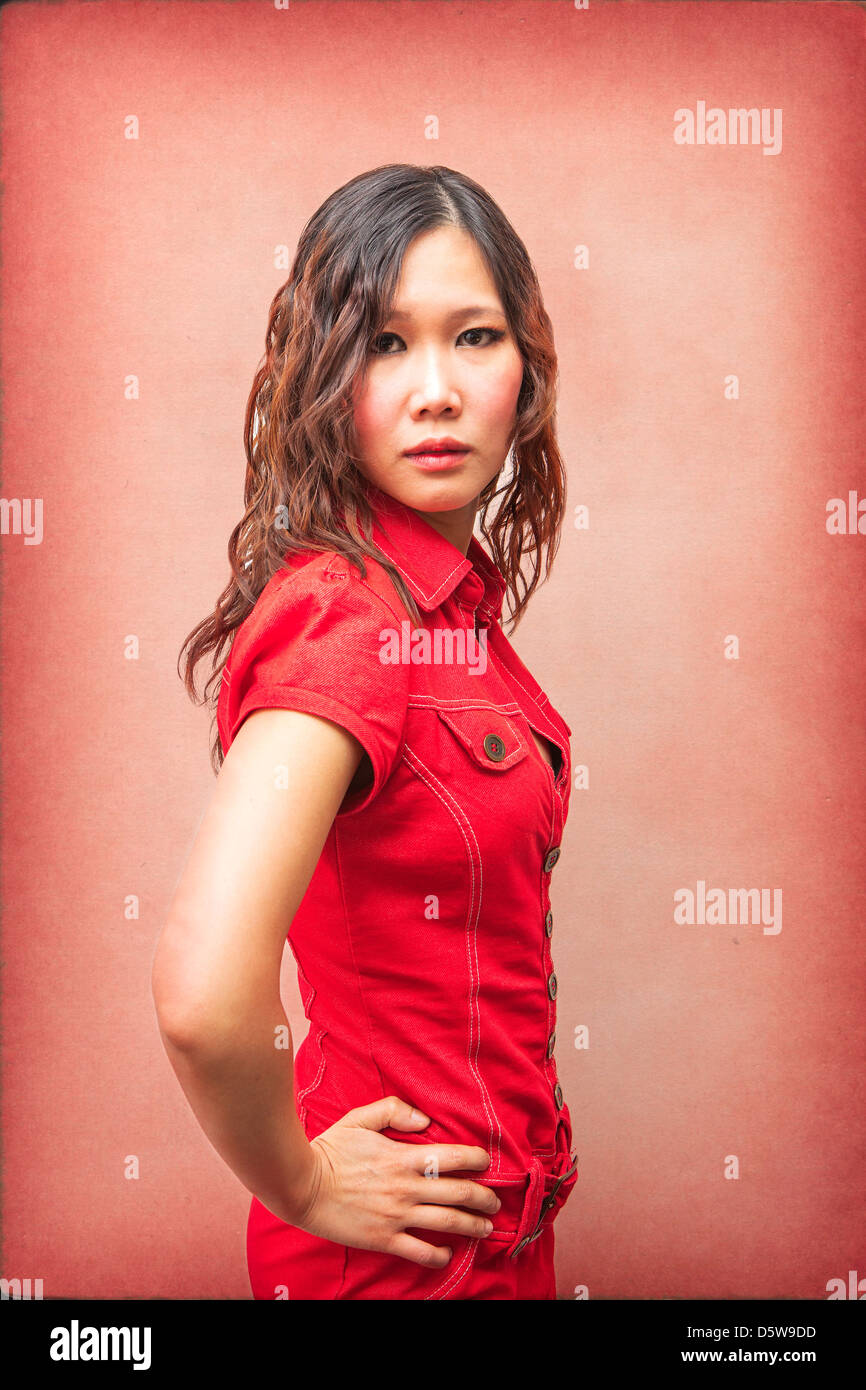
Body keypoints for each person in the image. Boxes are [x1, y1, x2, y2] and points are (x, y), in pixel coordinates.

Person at [152, 163, 578, 1301]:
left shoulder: (451, 613)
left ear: (524, 365)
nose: (434, 388)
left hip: (499, 1241)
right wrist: (301, 1186)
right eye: (384, 344)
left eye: (473, 336)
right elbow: (202, 996)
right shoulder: (348, 614)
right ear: (321, 374)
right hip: (399, 1266)